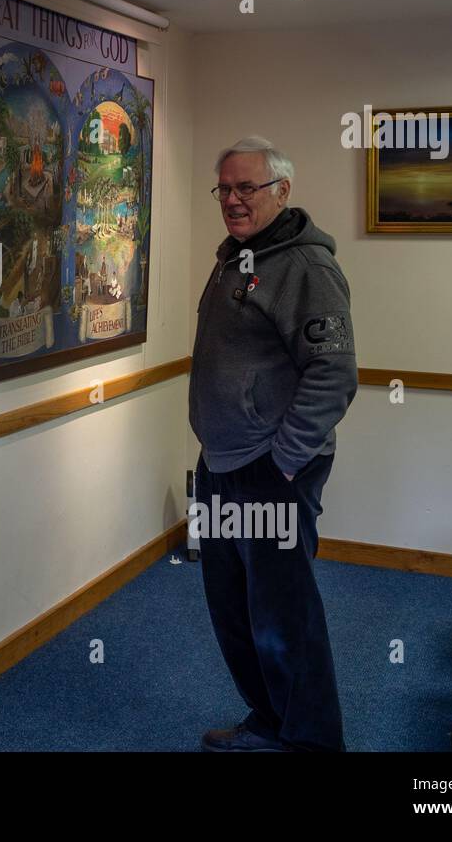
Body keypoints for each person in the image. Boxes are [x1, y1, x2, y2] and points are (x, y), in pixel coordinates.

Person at [191, 136, 357, 754]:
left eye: (246, 188)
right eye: (225, 189)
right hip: (222, 464)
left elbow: (334, 373)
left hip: (271, 469)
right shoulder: (238, 256)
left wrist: (283, 460)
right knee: (234, 609)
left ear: (281, 191)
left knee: (285, 616)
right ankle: (269, 721)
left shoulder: (307, 268)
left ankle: (312, 742)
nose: (233, 200)